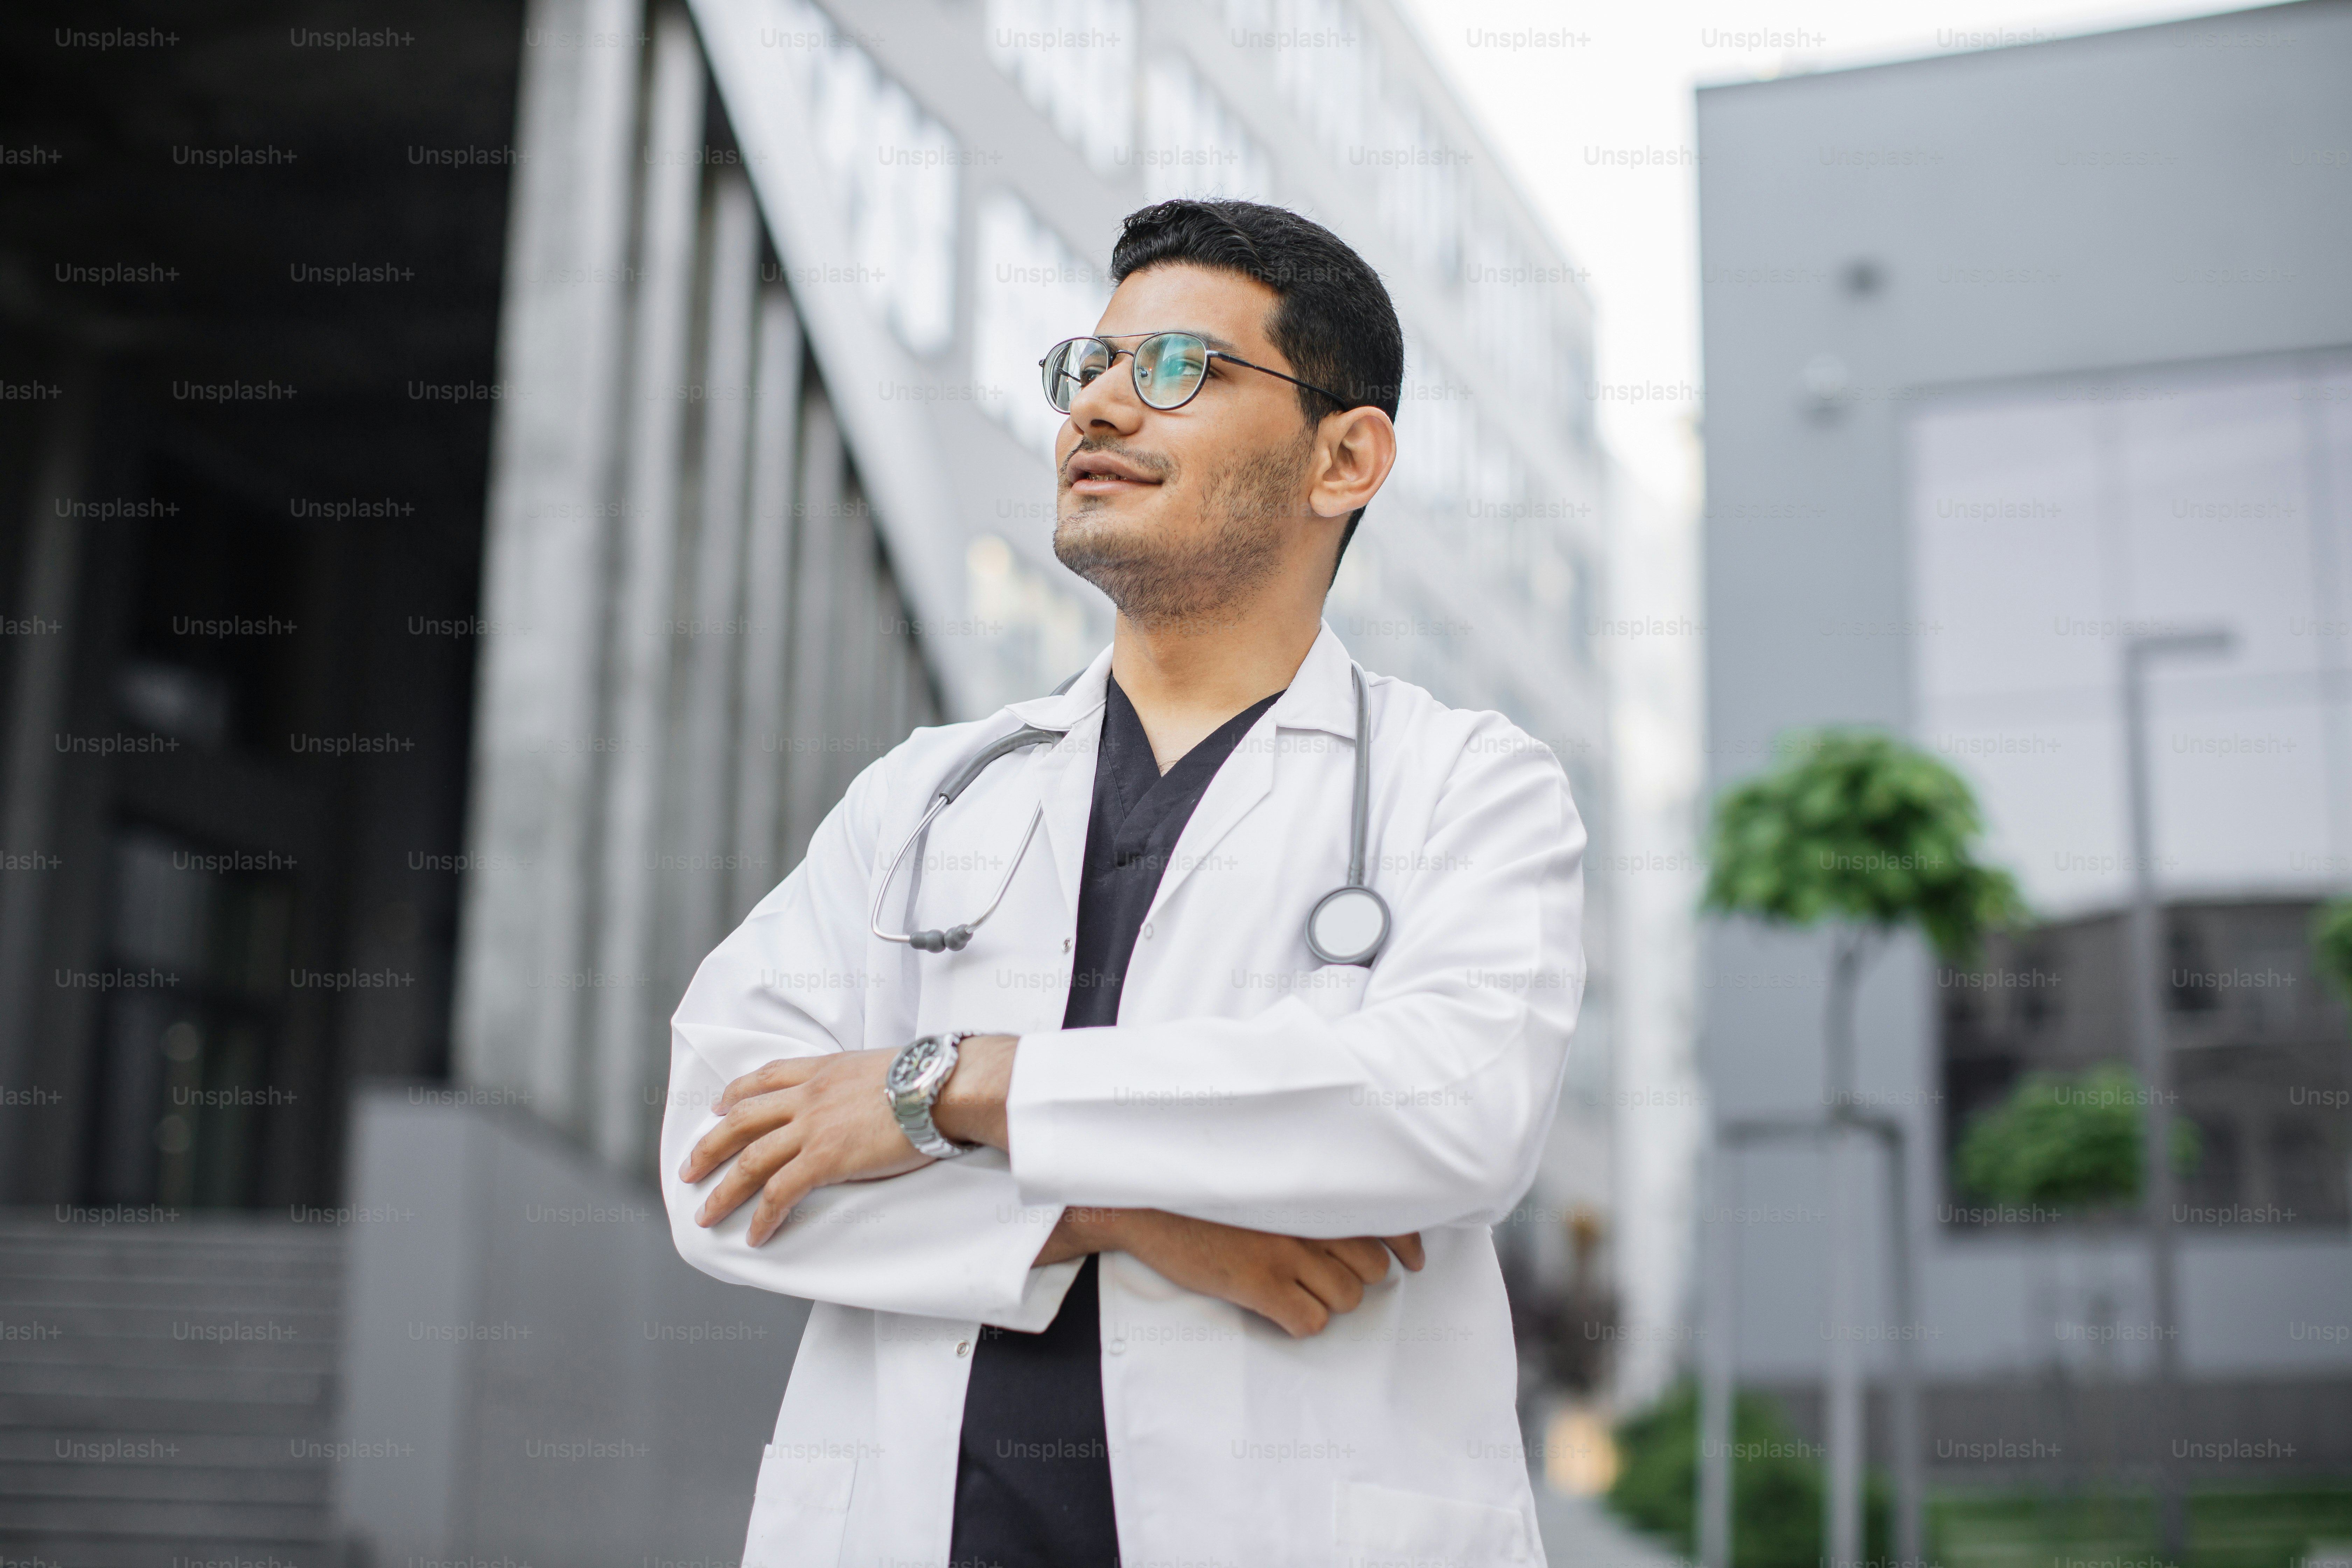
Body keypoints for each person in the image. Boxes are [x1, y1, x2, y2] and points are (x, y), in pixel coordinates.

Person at [660, 198, 1587, 1568]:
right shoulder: (925, 794)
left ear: (1346, 457)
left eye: (1176, 371)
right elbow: (721, 1162)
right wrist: (1119, 1212)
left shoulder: (1467, 786)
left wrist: (946, 1084)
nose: (1098, 407)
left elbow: (1446, 1111)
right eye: (1086, 369)